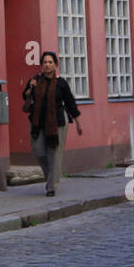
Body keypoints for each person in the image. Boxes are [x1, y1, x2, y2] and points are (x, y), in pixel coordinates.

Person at [21, 51, 82, 196]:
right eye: (45, 62)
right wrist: (31, 87)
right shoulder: (35, 79)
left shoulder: (61, 83)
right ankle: (52, 177)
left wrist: (79, 122)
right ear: (41, 65)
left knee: (54, 154)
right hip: (37, 123)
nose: (47, 65)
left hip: (58, 123)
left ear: (55, 65)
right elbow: (25, 95)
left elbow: (70, 103)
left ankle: (51, 187)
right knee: (39, 152)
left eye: (50, 62)